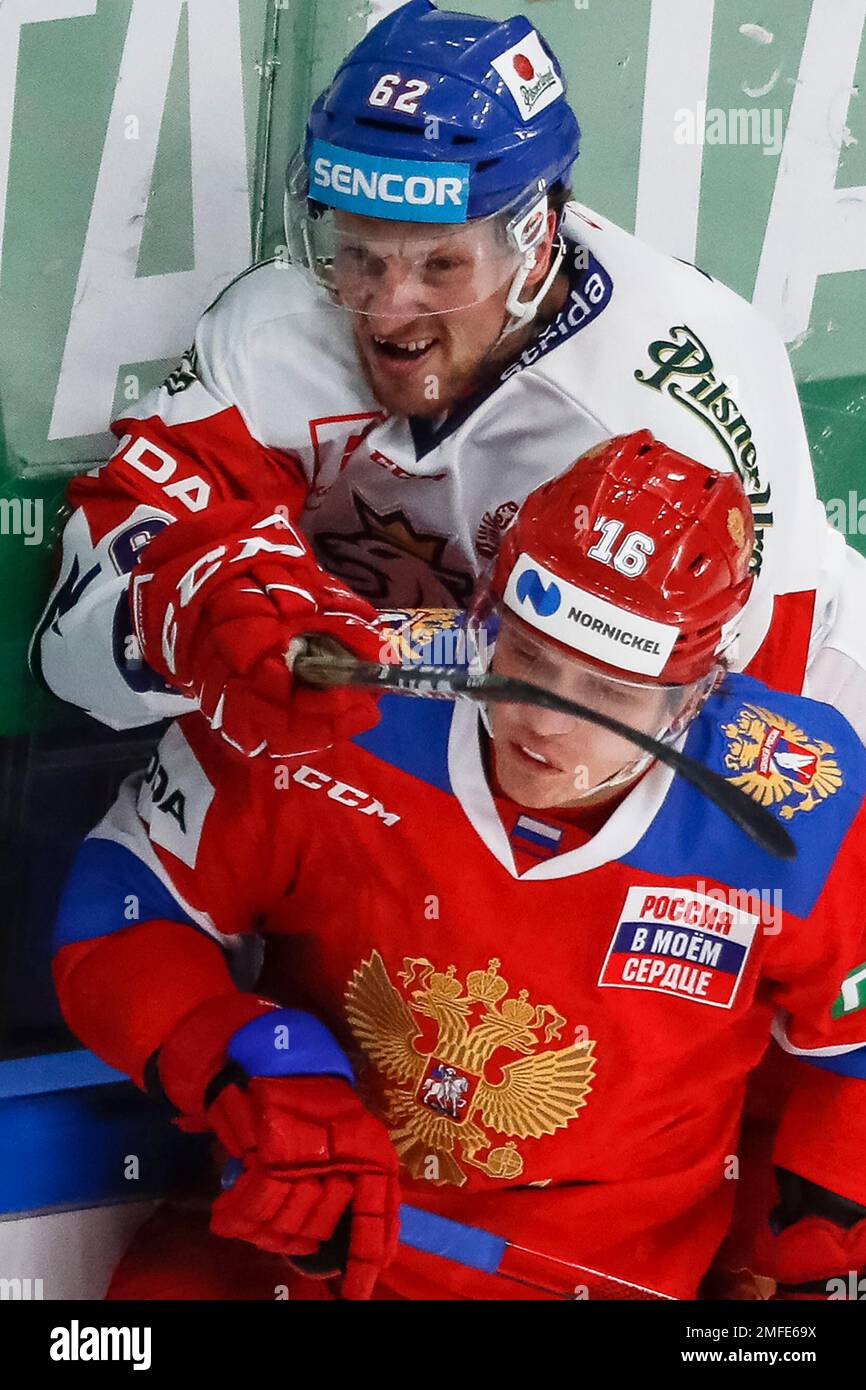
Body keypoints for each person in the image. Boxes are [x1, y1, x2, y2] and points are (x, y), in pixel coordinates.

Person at [52, 433, 866, 1301]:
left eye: (609, 693)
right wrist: (251, 1058)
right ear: (485, 612)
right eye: (531, 657)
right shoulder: (351, 694)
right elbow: (127, 897)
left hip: (606, 1279)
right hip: (301, 1236)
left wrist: (814, 1234)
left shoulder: (796, 800)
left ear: (699, 693)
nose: (544, 721)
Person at [31, 0, 866, 762]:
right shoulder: (277, 334)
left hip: (796, 719)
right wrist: (189, 615)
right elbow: (70, 644)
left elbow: (742, 746)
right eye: (358, 255)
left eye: (441, 266)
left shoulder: (667, 415)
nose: (389, 314)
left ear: (535, 246)